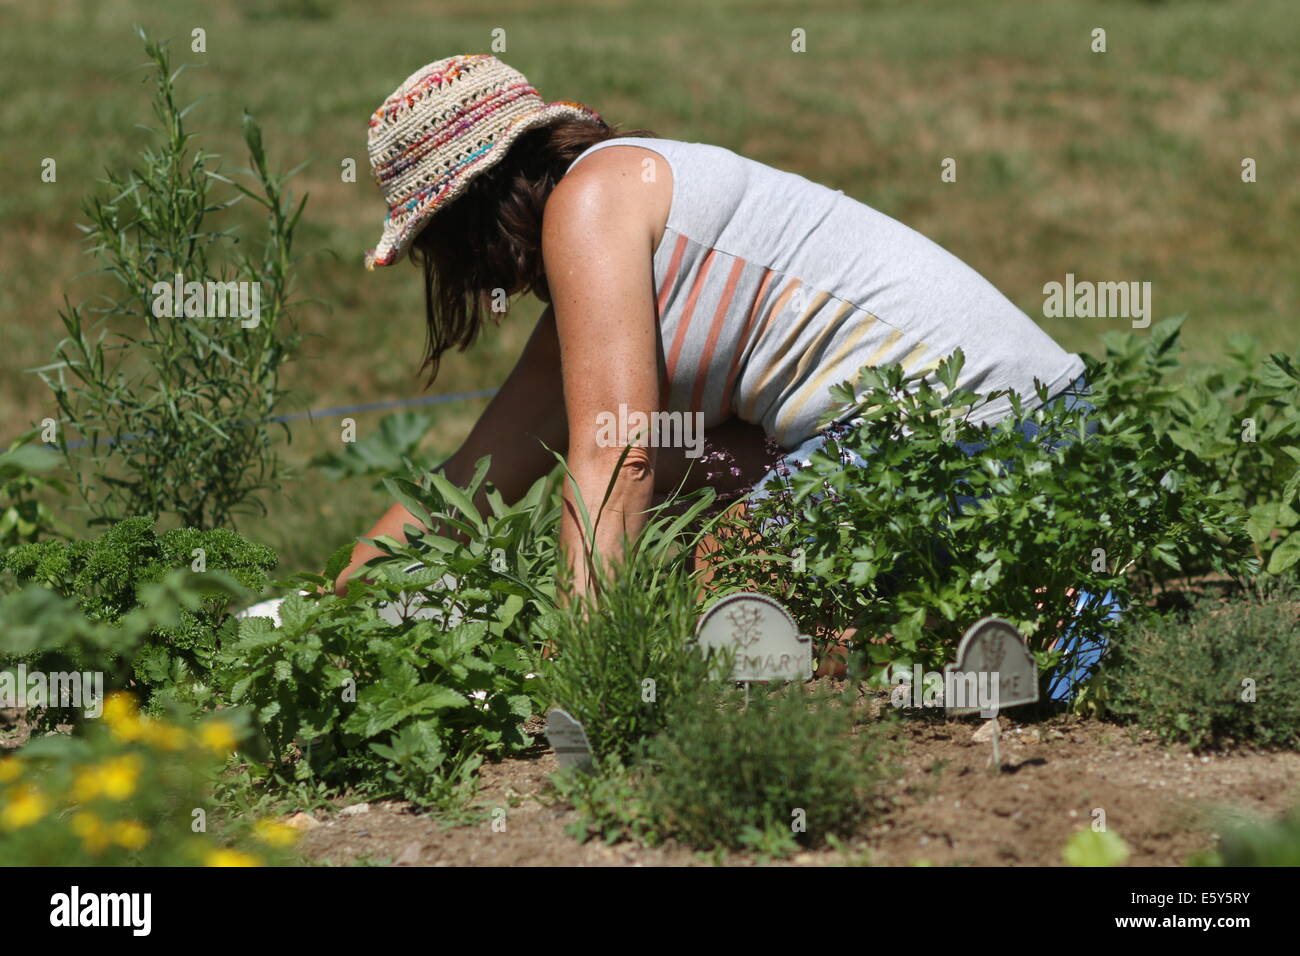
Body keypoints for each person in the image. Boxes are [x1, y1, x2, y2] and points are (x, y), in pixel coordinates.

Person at [334, 53, 1087, 600]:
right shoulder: (612, 224)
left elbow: (613, 454)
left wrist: (581, 670)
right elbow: (477, 480)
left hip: (994, 424)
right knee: (677, 484)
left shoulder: (593, 203)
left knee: (738, 561)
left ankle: (934, 655)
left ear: (470, 216)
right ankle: (978, 621)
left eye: (437, 249)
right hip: (1025, 420)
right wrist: (341, 599)